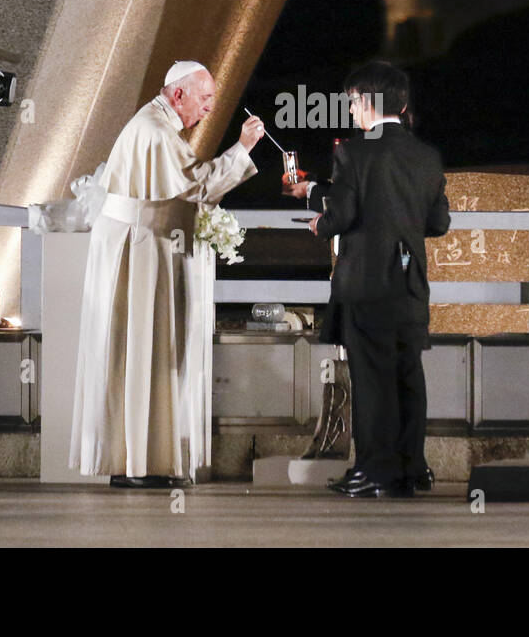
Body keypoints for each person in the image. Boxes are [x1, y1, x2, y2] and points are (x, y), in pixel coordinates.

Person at [70, 61, 265, 488]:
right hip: (139, 250)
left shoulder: (153, 124)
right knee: (142, 353)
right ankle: (138, 465)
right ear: (178, 94)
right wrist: (242, 148)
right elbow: (197, 185)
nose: (210, 107)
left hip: (139, 245)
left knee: (138, 356)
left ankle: (138, 460)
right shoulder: (157, 133)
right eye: (205, 97)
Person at [287, 62, 449, 498]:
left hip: (366, 283)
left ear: (371, 101)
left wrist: (319, 223)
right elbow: (438, 222)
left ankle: (374, 471)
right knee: (407, 375)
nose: (351, 108)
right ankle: (413, 469)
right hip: (409, 282)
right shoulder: (426, 156)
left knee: (372, 380)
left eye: (354, 100)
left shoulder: (354, 153)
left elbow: (344, 214)